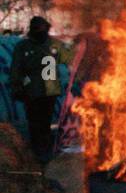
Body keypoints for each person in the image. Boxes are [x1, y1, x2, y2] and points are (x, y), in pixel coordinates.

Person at [7, 16, 75, 163]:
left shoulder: (55, 45)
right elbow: (16, 69)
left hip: (49, 91)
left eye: (43, 29)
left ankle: (43, 150)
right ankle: (37, 151)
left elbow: (71, 58)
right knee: (34, 122)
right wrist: (17, 87)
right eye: (38, 29)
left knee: (45, 121)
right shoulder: (23, 47)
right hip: (31, 91)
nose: (41, 32)